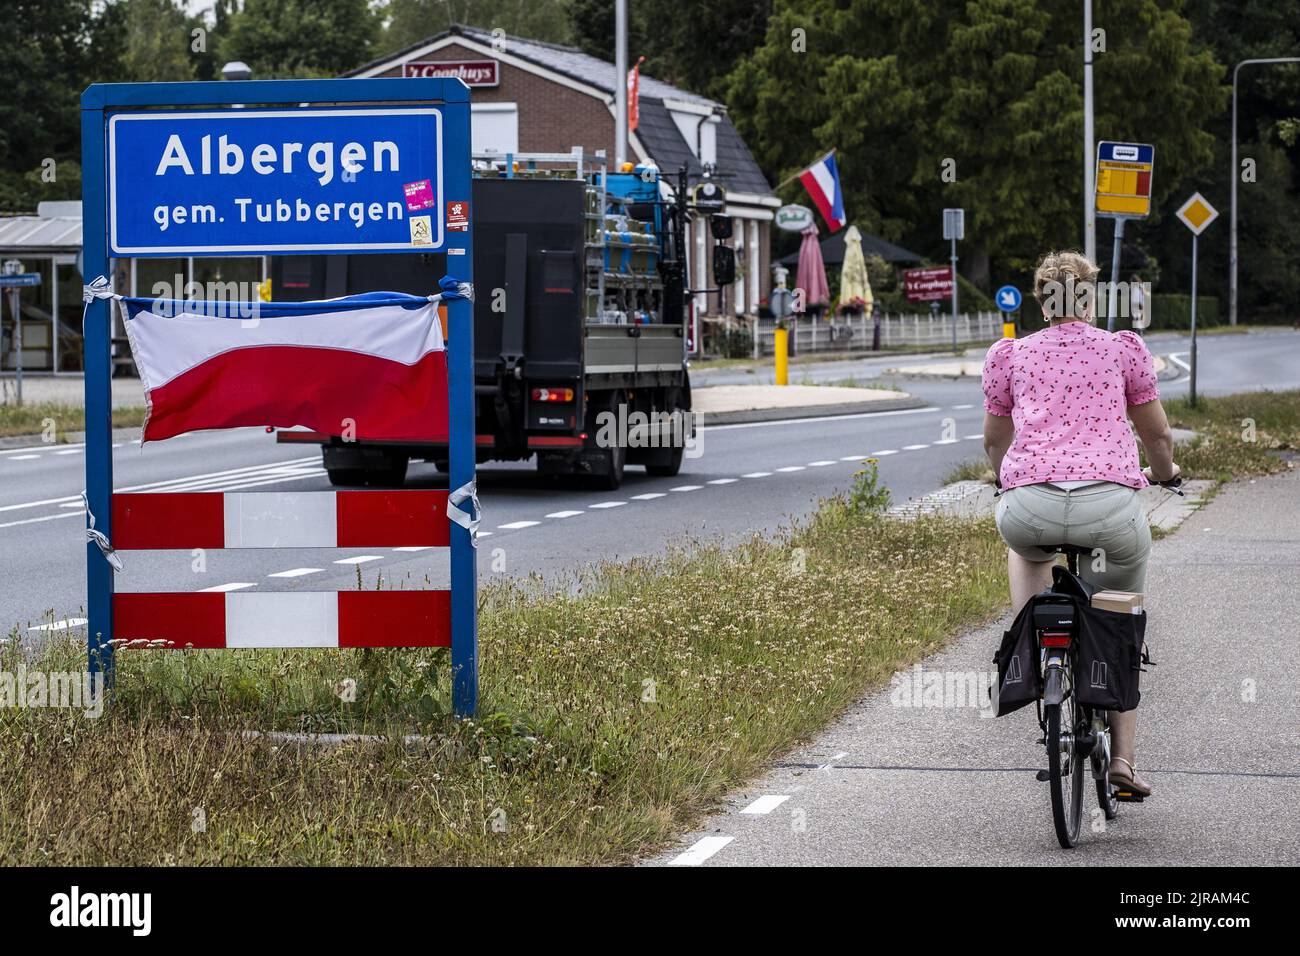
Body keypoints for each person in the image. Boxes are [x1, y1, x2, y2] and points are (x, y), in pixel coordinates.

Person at [982, 250, 1180, 799]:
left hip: (1030, 507)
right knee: (1119, 618)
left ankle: (1035, 643)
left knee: (1026, 551)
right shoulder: (1122, 350)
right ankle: (1122, 762)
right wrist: (1165, 474)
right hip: (1108, 512)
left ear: (1042, 302)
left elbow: (995, 442)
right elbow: (1157, 437)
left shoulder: (1011, 356)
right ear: (1090, 298)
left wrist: (1009, 483)